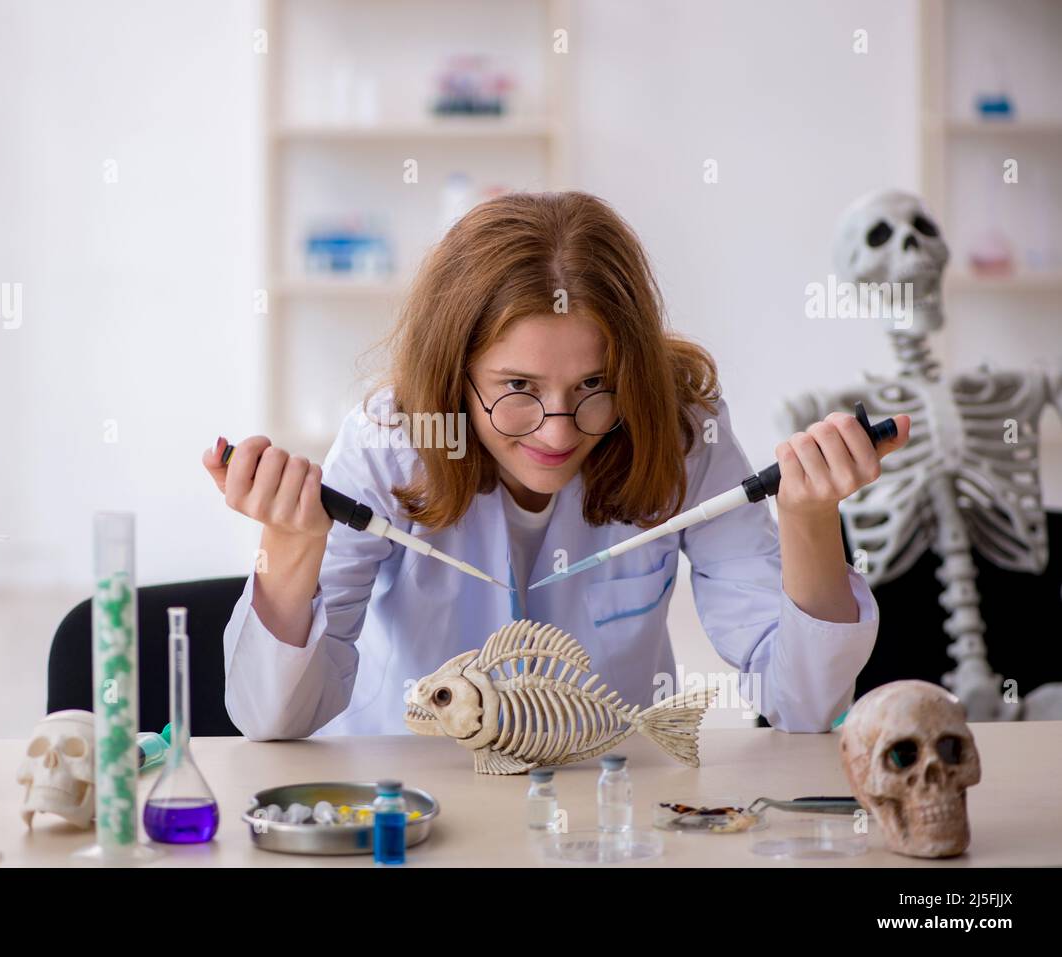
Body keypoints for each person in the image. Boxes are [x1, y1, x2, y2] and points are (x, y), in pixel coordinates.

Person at [203, 191, 910, 739]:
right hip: (415, 813)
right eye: (518, 388)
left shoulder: (680, 435)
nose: (559, 429)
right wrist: (291, 549)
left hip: (610, 810)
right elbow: (272, 719)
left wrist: (812, 521)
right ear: (456, 372)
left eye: (594, 386)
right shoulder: (394, 443)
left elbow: (804, 707)